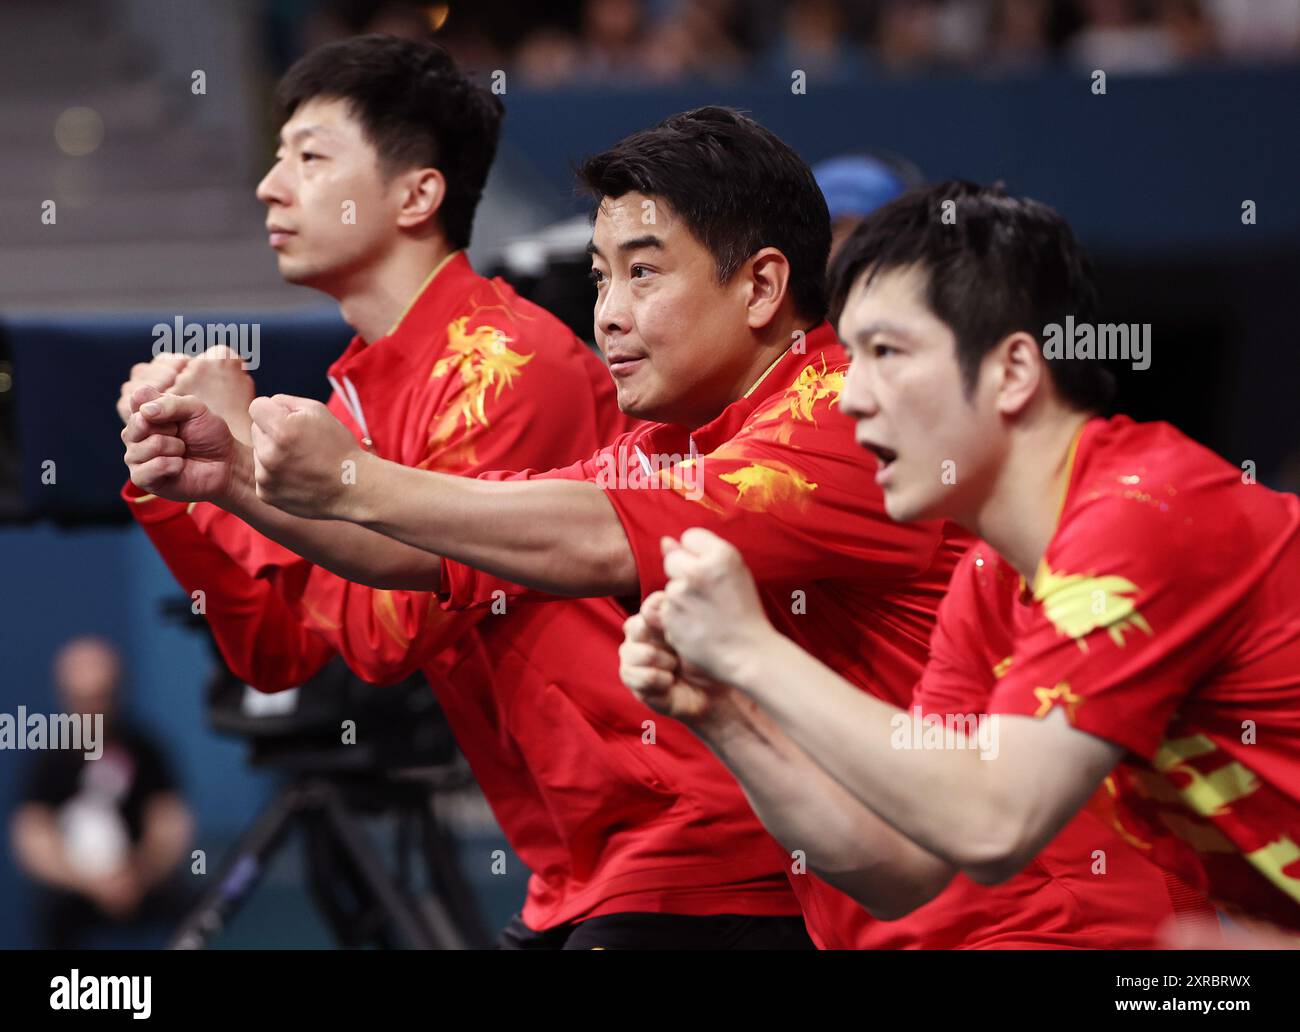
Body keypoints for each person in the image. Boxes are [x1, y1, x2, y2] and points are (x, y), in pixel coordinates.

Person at [127, 109, 1200, 948]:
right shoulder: (671, 439)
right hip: (871, 903)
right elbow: (445, 546)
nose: (608, 313)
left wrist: (354, 475)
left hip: (1022, 923)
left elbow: (588, 536)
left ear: (763, 286)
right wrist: (243, 486)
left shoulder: (829, 417)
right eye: (600, 276)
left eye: (644, 272)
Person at [118, 39, 816, 950]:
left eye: (310, 155)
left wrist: (242, 467)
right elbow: (280, 650)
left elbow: (382, 634)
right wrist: (184, 486)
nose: (270, 185)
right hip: (578, 866)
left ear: (419, 194)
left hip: (690, 848)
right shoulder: (361, 396)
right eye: (278, 155)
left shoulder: (506, 366)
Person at [619, 180, 1300, 937]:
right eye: (850, 353)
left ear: (1012, 372)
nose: (850, 396)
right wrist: (726, 714)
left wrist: (750, 650)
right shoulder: (993, 577)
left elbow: (993, 822)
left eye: (885, 352)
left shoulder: (1143, 516)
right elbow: (902, 868)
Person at [10, 637, 194, 948]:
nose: (92, 710)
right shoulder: (48, 759)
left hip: (141, 881)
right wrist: (88, 882)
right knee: (52, 915)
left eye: (101, 697)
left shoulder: (146, 750)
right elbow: (31, 837)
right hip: (74, 888)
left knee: (194, 910)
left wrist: (140, 873)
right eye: (81, 699)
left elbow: (170, 823)